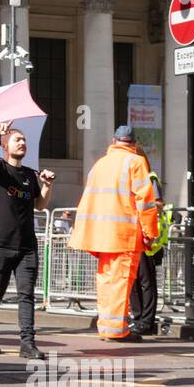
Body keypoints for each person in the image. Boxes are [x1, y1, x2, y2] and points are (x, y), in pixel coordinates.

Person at [68, 125, 158, 343]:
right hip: (124, 233)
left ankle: (107, 326)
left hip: (101, 236)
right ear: (134, 143)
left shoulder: (100, 164)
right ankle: (117, 330)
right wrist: (150, 232)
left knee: (106, 282)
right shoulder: (135, 162)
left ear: (114, 141)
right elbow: (145, 202)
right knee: (120, 282)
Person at [0, 123, 54, 357]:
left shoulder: (30, 174)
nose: (22, 142)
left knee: (26, 295)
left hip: (27, 246)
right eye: (17, 139)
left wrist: (47, 185)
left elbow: (40, 205)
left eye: (24, 140)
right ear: (5, 146)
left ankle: (27, 343)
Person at [129, 168, 167, 337]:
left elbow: (158, 205)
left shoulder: (149, 178)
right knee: (134, 283)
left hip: (148, 239)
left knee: (146, 283)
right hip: (133, 236)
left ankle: (146, 322)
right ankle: (137, 319)